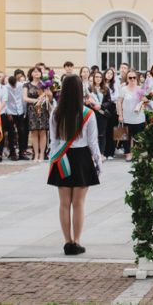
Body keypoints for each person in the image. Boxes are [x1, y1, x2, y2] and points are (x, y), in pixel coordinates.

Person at [48, 73, 100, 255]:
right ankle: (77, 241)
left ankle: (67, 241)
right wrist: (98, 162)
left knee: (63, 203)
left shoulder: (56, 113)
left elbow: (53, 141)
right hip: (81, 157)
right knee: (78, 203)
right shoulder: (88, 114)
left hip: (61, 156)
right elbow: (93, 143)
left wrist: (51, 162)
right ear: (80, 91)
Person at [119, 71, 147, 162]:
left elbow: (145, 102)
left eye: (134, 77)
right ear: (127, 79)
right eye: (130, 78)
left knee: (139, 137)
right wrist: (120, 114)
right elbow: (119, 102)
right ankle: (128, 154)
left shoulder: (140, 89)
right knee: (126, 137)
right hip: (127, 117)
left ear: (137, 78)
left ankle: (138, 154)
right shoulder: (123, 89)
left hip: (139, 117)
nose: (132, 79)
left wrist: (145, 100)